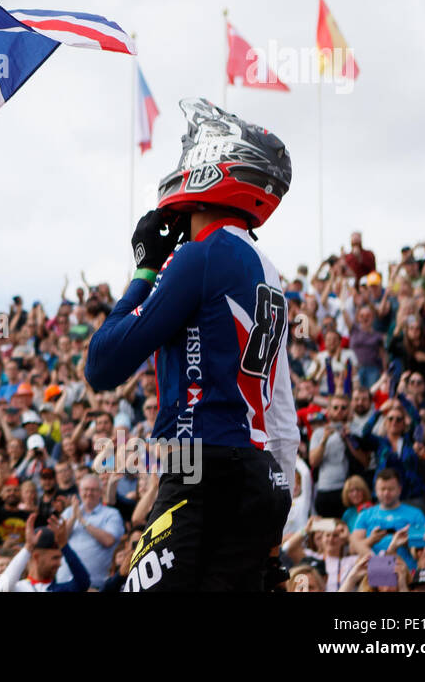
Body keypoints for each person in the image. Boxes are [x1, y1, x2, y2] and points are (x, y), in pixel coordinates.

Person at [85, 98, 294, 591]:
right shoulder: (271, 273)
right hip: (259, 478)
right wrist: (273, 534)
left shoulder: (199, 257)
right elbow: (280, 411)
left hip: (198, 469)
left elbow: (103, 364)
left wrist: (143, 269)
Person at [349, 469, 425, 570]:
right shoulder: (365, 515)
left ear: (399, 489)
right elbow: (352, 549)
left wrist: (406, 541)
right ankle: (380, 565)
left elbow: (422, 551)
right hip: (376, 572)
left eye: (390, 489)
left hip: (406, 570)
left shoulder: (415, 514)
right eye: (382, 489)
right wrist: (371, 540)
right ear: (375, 491)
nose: (386, 493)